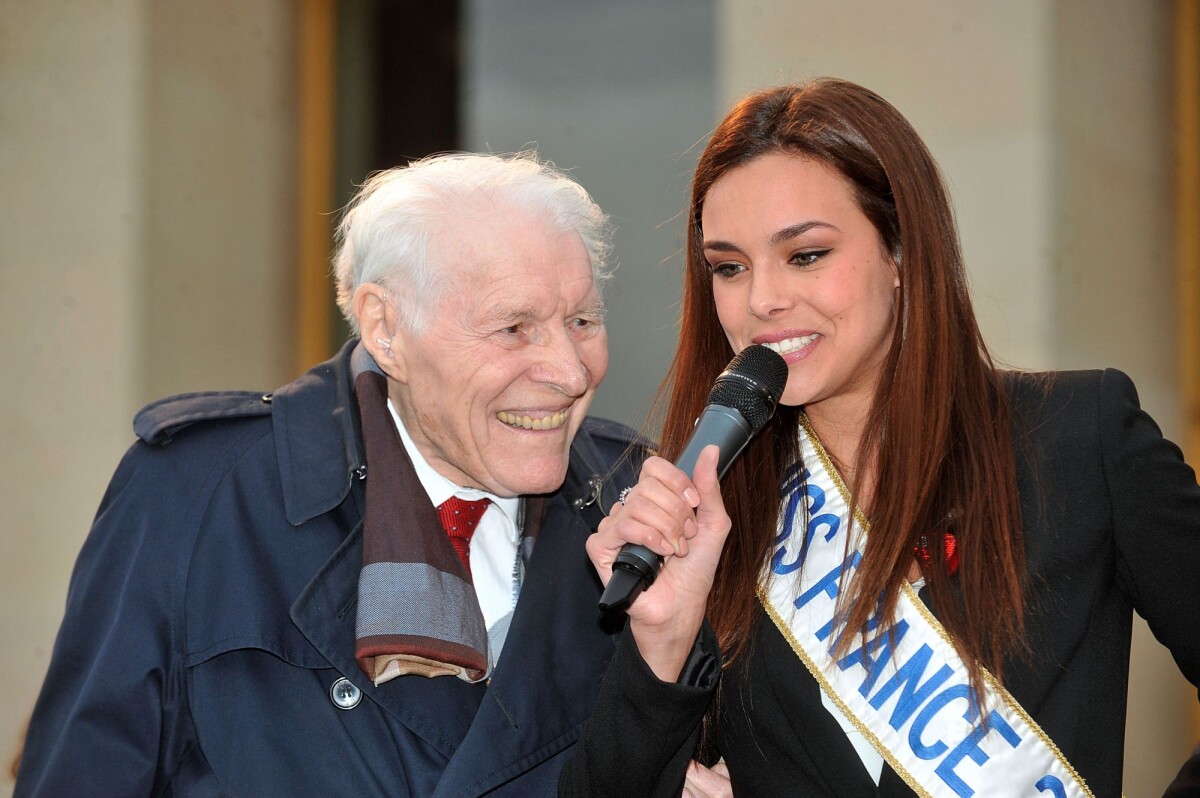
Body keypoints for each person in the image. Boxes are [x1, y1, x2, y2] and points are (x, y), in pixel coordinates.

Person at [559, 79, 1200, 797]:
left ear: (900, 251)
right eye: (729, 267)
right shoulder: (706, 506)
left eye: (805, 255)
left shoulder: (1080, 438)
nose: (762, 300)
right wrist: (662, 643)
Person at [15, 152, 645, 796]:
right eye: (514, 328)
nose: (571, 373)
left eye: (582, 321)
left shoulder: (639, 497)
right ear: (386, 327)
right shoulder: (197, 496)